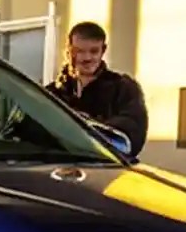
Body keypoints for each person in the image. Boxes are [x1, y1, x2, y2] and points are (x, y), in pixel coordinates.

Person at [45, 21, 148, 157]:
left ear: (103, 50)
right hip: (58, 169)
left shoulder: (123, 87)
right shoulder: (51, 93)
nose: (87, 58)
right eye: (79, 51)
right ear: (68, 51)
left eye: (94, 51)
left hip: (107, 171)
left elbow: (132, 130)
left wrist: (86, 127)